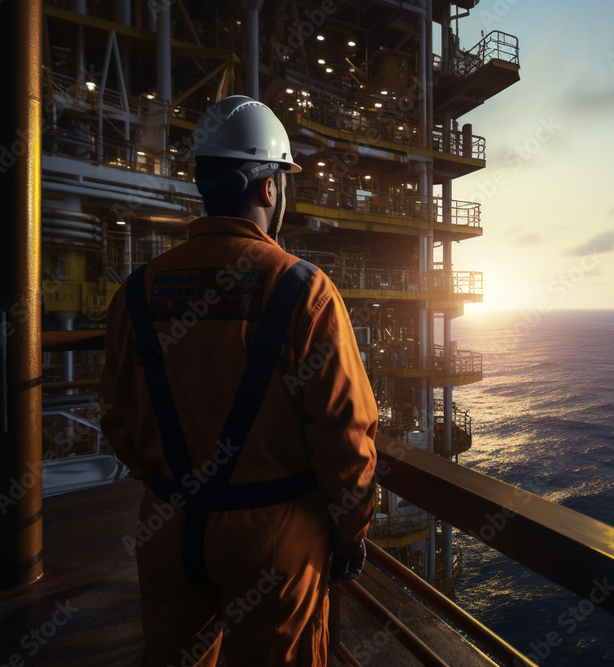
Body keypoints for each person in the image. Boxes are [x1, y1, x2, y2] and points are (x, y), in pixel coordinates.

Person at [99, 95, 378, 666]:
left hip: (169, 526)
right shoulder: (305, 290)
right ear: (269, 188)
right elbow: (346, 436)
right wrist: (350, 532)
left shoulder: (137, 293)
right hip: (274, 539)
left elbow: (117, 418)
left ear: (205, 183)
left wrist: (170, 482)